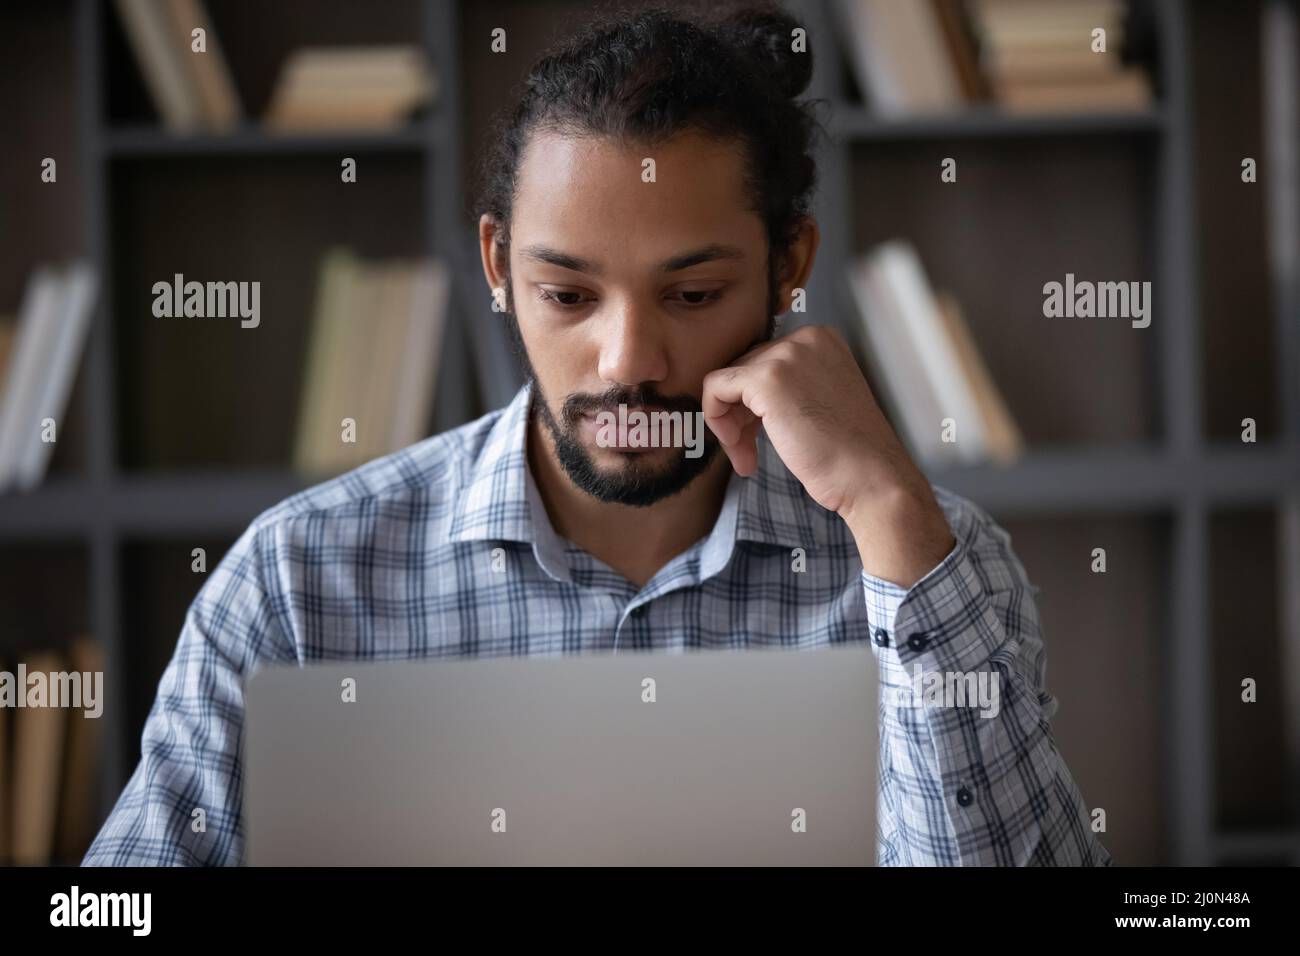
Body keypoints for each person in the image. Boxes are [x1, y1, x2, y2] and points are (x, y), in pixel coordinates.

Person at [84, 2, 1111, 867]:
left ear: (789, 263)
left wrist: (890, 513)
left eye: (695, 291)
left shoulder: (935, 563)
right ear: (496, 267)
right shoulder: (297, 583)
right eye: (566, 292)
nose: (627, 358)